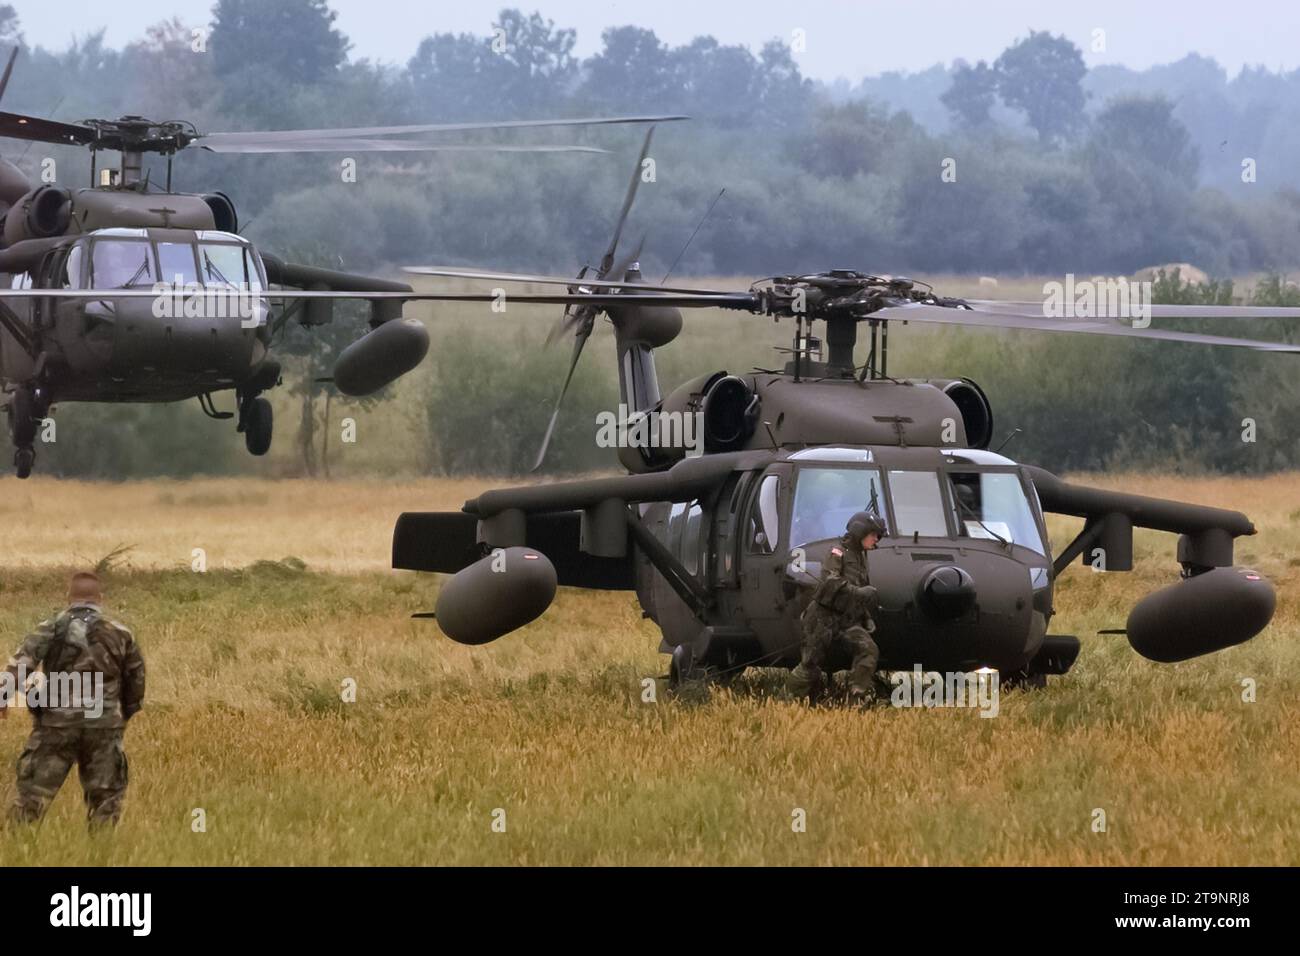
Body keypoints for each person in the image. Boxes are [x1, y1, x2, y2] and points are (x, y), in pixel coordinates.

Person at [1, 571, 144, 826]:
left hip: (56, 726)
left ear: (69, 598)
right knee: (106, 801)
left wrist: (2, 699)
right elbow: (135, 683)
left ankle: (14, 852)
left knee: (31, 798)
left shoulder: (51, 627)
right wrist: (122, 714)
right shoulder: (121, 633)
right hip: (102, 725)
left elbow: (19, 667)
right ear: (100, 598)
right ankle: (102, 857)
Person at [789, 511, 885, 705]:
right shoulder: (837, 552)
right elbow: (830, 581)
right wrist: (858, 593)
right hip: (822, 618)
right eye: (873, 534)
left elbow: (858, 588)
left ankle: (856, 697)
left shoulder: (861, 557)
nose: (876, 539)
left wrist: (866, 616)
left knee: (869, 651)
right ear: (860, 532)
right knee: (810, 663)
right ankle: (792, 702)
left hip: (847, 620)